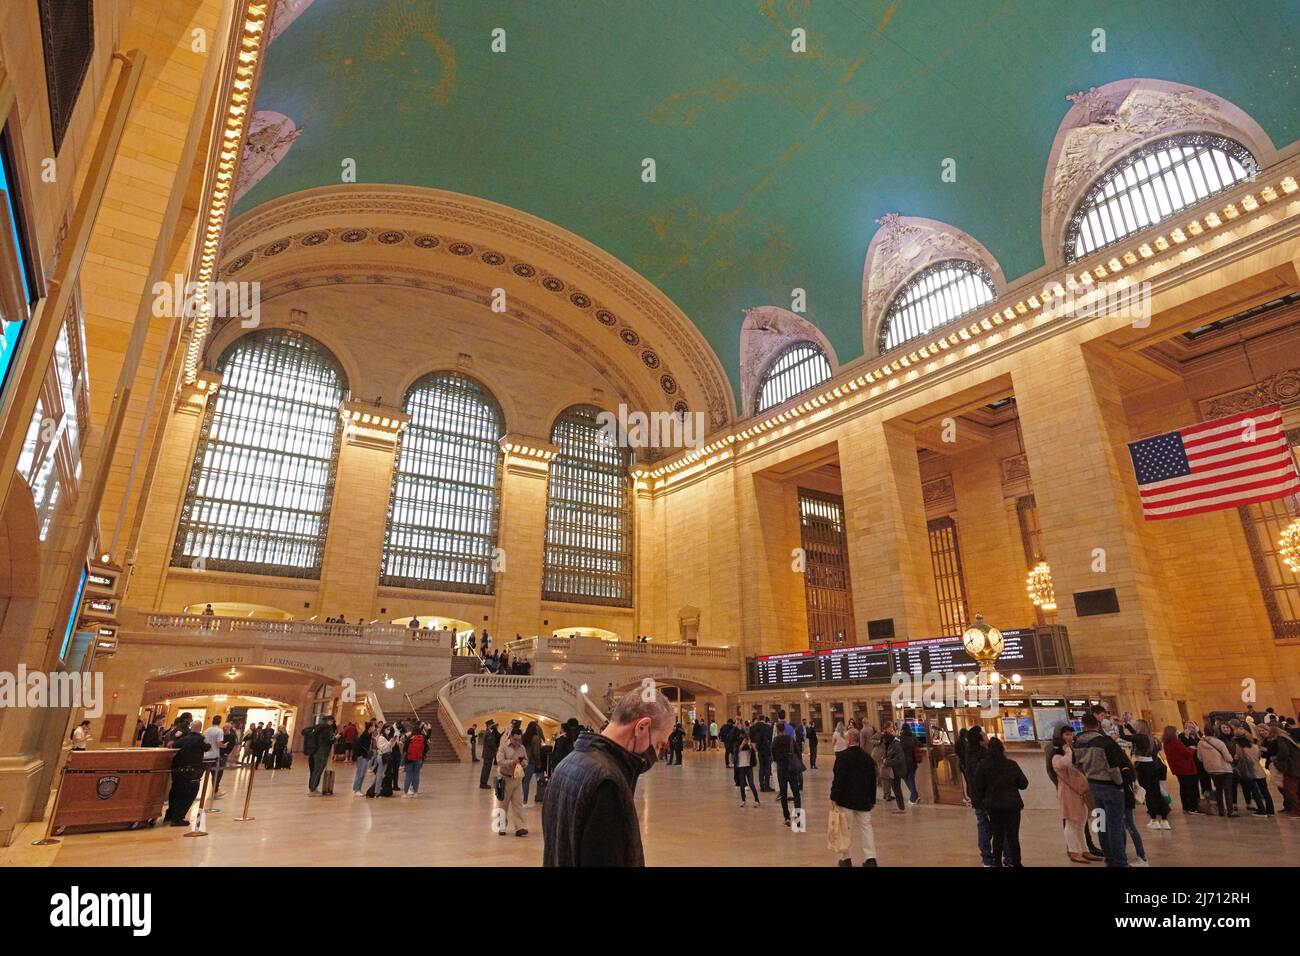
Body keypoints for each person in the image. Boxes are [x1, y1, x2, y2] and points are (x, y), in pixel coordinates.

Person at [542, 686, 673, 866]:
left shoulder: (566, 764)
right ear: (642, 727)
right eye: (659, 745)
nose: (656, 756)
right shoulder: (608, 783)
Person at [1073, 712, 1129, 866]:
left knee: (1101, 823)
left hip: (1093, 784)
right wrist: (1120, 784)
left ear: (1083, 725)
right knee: (1115, 824)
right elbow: (1113, 768)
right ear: (1097, 724)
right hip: (1109, 786)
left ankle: (1109, 859)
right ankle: (1120, 861)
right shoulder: (1104, 742)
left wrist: (1088, 773)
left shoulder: (1077, 742)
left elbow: (1076, 764)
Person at [970, 738, 1028, 867]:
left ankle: (997, 863)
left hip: (994, 806)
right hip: (1013, 805)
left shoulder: (983, 766)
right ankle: (1016, 862)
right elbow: (1023, 784)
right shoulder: (1011, 764)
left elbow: (978, 786)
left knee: (998, 836)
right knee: (1013, 836)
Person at [830, 727, 879, 866]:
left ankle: (846, 859)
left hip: (846, 800)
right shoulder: (867, 758)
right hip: (864, 800)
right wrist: (872, 799)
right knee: (866, 829)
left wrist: (834, 797)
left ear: (849, 740)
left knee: (845, 830)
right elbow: (872, 781)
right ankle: (870, 858)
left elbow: (838, 779)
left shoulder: (843, 757)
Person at [1050, 725, 1098, 863]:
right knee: (1071, 822)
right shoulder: (1056, 755)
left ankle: (1084, 850)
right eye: (1066, 734)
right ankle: (1073, 851)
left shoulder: (1074, 751)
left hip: (1080, 792)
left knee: (1081, 822)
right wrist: (1068, 751)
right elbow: (1064, 764)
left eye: (1071, 734)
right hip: (1068, 792)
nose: (1070, 737)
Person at [964, 726, 998, 866]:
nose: (986, 736)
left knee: (983, 826)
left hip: (978, 797)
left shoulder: (970, 754)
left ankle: (987, 858)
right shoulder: (984, 757)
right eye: (984, 735)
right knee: (997, 827)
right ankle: (998, 858)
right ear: (979, 740)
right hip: (987, 798)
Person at [163, 715, 205, 826]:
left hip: (177, 769)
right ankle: (178, 818)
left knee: (175, 791)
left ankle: (170, 815)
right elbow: (207, 747)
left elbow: (172, 745)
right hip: (191, 771)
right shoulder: (200, 740)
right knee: (188, 794)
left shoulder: (182, 738)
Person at [1129, 720, 1170, 829]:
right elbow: (1135, 736)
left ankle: (1154, 820)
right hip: (1155, 767)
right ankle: (1164, 820)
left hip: (1144, 768)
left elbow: (1126, 736)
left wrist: (1120, 726)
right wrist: (1127, 724)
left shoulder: (1140, 738)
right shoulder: (1153, 739)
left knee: (1149, 794)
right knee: (1157, 793)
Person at [1258, 723, 1300, 816]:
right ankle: (1290, 807)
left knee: (1289, 789)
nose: (1262, 733)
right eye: (1260, 731)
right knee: (1289, 789)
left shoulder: (1280, 739)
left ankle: (1296, 810)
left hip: (1287, 767)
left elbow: (1283, 752)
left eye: (1264, 730)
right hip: (1290, 767)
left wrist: (1275, 758)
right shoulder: (1286, 738)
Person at [1232, 725, 1273, 817]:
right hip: (1260, 771)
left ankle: (1261, 810)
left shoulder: (1239, 747)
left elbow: (1238, 758)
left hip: (1250, 772)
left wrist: (1236, 757)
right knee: (1265, 792)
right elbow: (1258, 757)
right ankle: (1271, 811)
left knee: (1255, 792)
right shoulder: (1255, 746)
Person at [496, 726, 530, 836]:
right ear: (510, 737)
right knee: (503, 804)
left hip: (517, 779)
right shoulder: (503, 747)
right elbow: (500, 761)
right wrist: (512, 762)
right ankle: (501, 827)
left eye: (519, 739)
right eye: (515, 739)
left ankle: (519, 827)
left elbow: (526, 760)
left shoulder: (522, 748)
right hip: (504, 778)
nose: (517, 742)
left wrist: (523, 763)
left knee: (518, 804)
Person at [1196, 727, 1237, 817]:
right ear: (1215, 733)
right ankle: (1230, 811)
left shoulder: (1200, 743)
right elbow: (1227, 757)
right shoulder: (1219, 742)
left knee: (1218, 790)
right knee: (1227, 790)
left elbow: (1199, 757)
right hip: (1224, 769)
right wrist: (1232, 759)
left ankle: (1221, 811)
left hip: (1211, 770)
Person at [771, 720, 803, 827]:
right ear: (784, 729)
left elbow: (774, 757)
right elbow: (798, 753)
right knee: (796, 793)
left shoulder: (775, 741)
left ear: (777, 730)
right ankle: (798, 819)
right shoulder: (790, 739)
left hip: (781, 770)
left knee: (784, 794)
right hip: (791, 769)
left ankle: (787, 817)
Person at [1162, 725, 1201, 814]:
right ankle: (1192, 808)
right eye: (1176, 732)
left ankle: (1186, 807)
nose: (1177, 733)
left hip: (1178, 768)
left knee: (1183, 788)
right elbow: (1186, 753)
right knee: (1190, 788)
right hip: (1185, 768)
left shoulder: (1166, 743)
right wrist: (1192, 749)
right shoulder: (1175, 742)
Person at [304, 717, 336, 793]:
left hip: (315, 751)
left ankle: (313, 787)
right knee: (318, 770)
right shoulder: (326, 729)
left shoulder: (318, 727)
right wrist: (335, 738)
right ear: (329, 721)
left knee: (315, 770)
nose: (332, 723)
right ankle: (313, 788)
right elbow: (327, 741)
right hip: (322, 752)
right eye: (332, 721)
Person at [521, 721, 545, 804]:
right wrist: (538, 763)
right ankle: (525, 800)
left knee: (523, 781)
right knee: (527, 781)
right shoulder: (536, 738)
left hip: (522, 761)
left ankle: (522, 799)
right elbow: (536, 752)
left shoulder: (523, 736)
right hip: (530, 761)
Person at [734, 730, 759, 806]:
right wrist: (742, 743)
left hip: (748, 767)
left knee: (751, 784)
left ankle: (757, 800)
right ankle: (743, 800)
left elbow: (753, 751)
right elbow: (737, 750)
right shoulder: (737, 744)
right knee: (742, 785)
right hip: (741, 767)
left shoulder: (749, 745)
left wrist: (749, 744)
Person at [898, 723, 920, 804]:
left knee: (907, 778)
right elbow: (919, 744)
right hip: (913, 762)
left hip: (903, 763)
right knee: (911, 778)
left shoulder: (899, 738)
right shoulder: (913, 737)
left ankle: (914, 797)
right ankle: (914, 795)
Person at [403, 721, 426, 797]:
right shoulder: (423, 738)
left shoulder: (410, 738)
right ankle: (416, 793)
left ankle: (405, 793)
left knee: (408, 776)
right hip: (419, 759)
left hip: (409, 759)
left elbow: (405, 749)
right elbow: (425, 749)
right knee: (416, 775)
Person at [202, 716, 223, 793]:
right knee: (215, 775)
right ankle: (215, 791)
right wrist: (225, 745)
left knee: (200, 774)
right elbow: (219, 744)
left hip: (205, 755)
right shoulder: (219, 731)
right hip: (214, 756)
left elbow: (203, 742)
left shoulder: (206, 730)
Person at [352, 721, 374, 795]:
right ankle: (357, 789)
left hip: (363, 756)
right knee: (361, 773)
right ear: (370, 728)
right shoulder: (365, 735)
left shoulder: (368, 735)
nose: (373, 728)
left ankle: (356, 788)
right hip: (362, 756)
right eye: (372, 727)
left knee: (361, 773)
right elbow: (362, 747)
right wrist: (365, 755)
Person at [478, 720, 500, 789]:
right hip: (488, 754)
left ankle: (483, 783)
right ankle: (483, 783)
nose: (493, 726)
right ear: (489, 725)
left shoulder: (489, 732)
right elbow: (491, 744)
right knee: (486, 769)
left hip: (488, 754)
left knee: (486, 769)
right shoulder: (488, 733)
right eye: (492, 725)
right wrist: (496, 750)